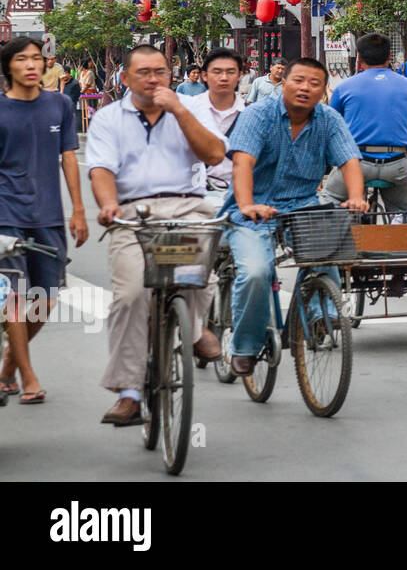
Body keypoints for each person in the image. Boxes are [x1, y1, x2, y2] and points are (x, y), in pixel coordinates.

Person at [85, 44, 227, 425]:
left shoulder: (190, 109)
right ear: (126, 78)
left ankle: (195, 329)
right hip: (133, 214)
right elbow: (100, 169)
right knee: (132, 294)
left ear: (171, 75)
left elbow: (214, 155)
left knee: (198, 276)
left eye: (160, 71)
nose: (152, 79)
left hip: (185, 208)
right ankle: (129, 391)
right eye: (143, 72)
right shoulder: (109, 118)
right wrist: (108, 204)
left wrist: (179, 110)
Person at [222, 58, 368, 377]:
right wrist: (247, 205)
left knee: (327, 249)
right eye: (298, 80)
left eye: (314, 83)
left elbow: (350, 160)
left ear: (323, 90)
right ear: (283, 82)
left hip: (302, 204)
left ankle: (319, 317)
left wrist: (357, 196)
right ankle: (245, 346)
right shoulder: (258, 115)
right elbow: (242, 164)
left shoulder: (328, 119)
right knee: (257, 272)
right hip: (253, 207)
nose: (305, 88)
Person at [0, 38, 89, 406]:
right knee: (15, 300)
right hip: (5, 216)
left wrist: (79, 210)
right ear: (8, 68)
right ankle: (28, 376)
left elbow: (68, 155)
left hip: (48, 215)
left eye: (37, 58)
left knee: (45, 300)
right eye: (22, 59)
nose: (31, 65)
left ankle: (6, 368)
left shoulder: (60, 104)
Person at [324, 32, 407, 213]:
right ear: (389, 56)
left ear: (359, 58)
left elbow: (332, 125)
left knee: (332, 200)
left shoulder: (344, 87)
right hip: (397, 164)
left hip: (357, 162)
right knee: (402, 213)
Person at [182, 48, 246, 205]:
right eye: (217, 72)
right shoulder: (187, 111)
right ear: (205, 75)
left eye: (230, 72)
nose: (224, 78)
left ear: (239, 76)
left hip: (239, 196)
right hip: (193, 196)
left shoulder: (251, 115)